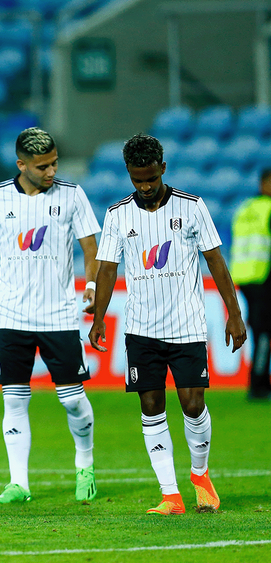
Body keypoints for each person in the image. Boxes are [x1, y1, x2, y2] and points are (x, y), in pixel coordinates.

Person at [89, 133, 246, 515]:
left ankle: (200, 475)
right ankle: (170, 495)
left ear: (163, 167)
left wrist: (234, 312)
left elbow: (215, 261)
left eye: (150, 178)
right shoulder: (116, 215)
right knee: (151, 403)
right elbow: (107, 269)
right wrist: (98, 319)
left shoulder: (192, 208)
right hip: (140, 328)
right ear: (128, 173)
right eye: (137, 179)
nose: (144, 186)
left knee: (193, 405)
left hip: (187, 326)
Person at [0, 127, 101, 504]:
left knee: (72, 400)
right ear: (21, 165)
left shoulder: (73, 195)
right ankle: (19, 484)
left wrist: (90, 287)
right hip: (12, 314)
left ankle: (85, 463)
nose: (51, 171)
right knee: (14, 399)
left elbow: (90, 247)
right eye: (43, 166)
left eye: (55, 163)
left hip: (59, 315)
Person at [229, 169, 271, 400]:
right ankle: (258, 384)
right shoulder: (268, 209)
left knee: (258, 328)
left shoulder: (245, 208)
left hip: (244, 277)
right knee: (264, 332)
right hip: (264, 276)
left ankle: (260, 381)